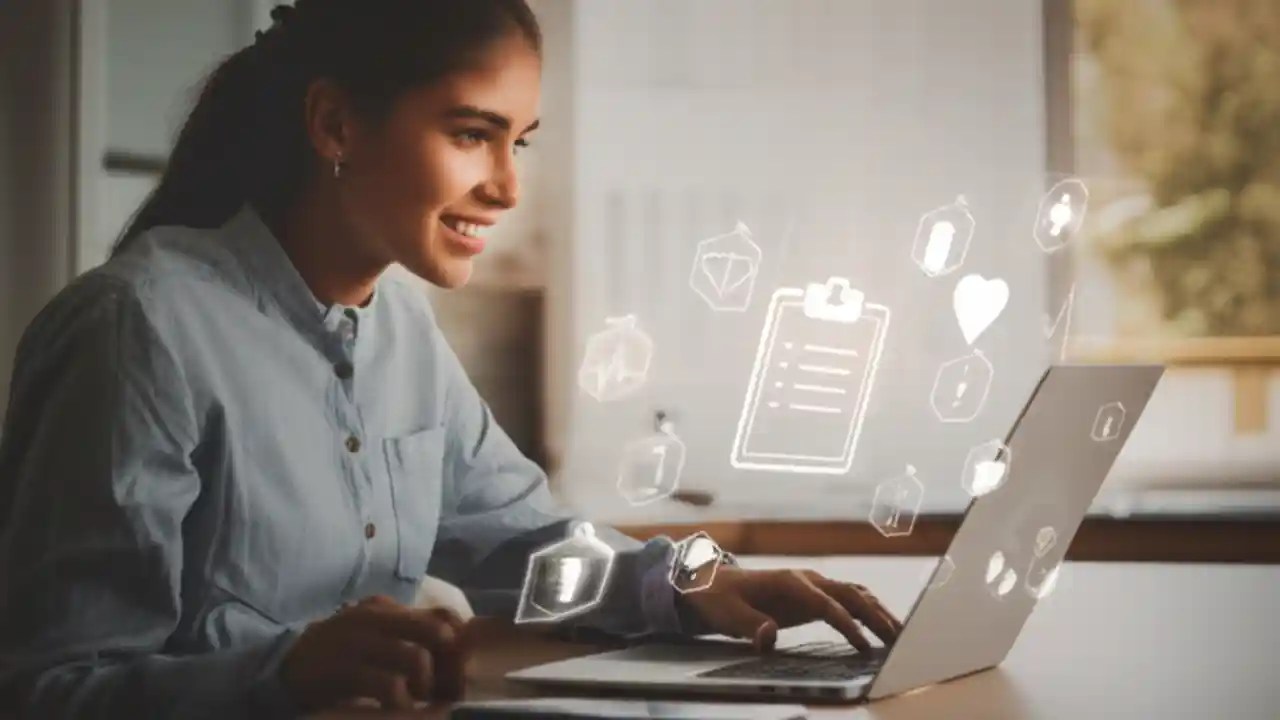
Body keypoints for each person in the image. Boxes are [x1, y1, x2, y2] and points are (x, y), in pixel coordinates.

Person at [0, 1, 901, 716]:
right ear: (335, 124)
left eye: (520, 140)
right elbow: (48, 691)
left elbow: (520, 538)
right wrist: (281, 677)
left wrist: (701, 581)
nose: (508, 185)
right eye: (471, 133)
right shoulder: (139, 332)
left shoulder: (400, 327)